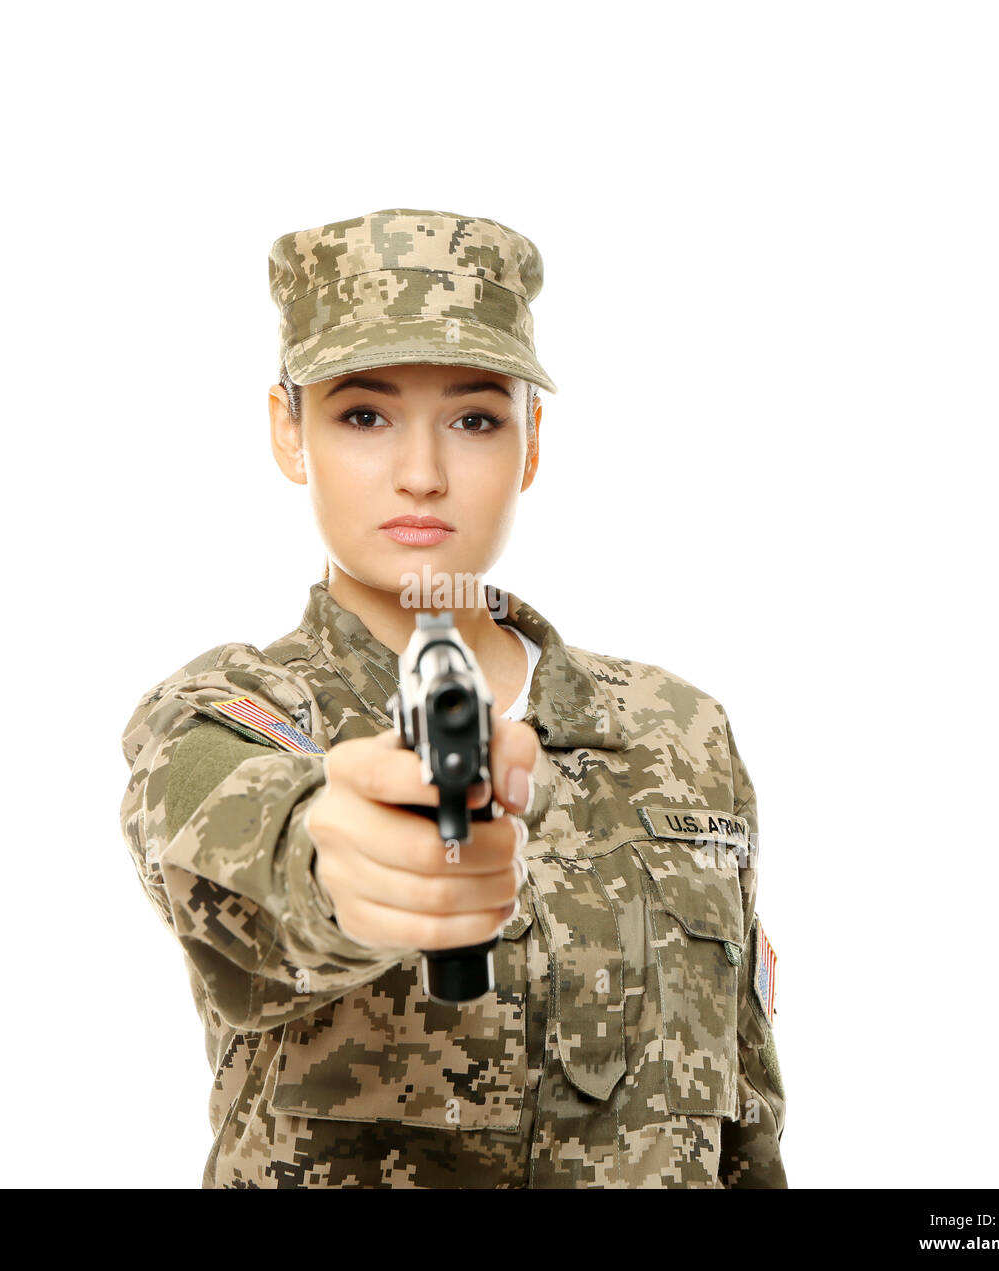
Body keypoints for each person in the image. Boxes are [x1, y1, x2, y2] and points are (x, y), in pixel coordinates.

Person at [118, 207, 786, 1188]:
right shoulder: (228, 711)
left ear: (531, 443)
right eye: (363, 414)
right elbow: (238, 833)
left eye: (474, 419)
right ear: (287, 431)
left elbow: (746, 1117)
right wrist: (339, 856)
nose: (422, 475)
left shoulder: (678, 732)